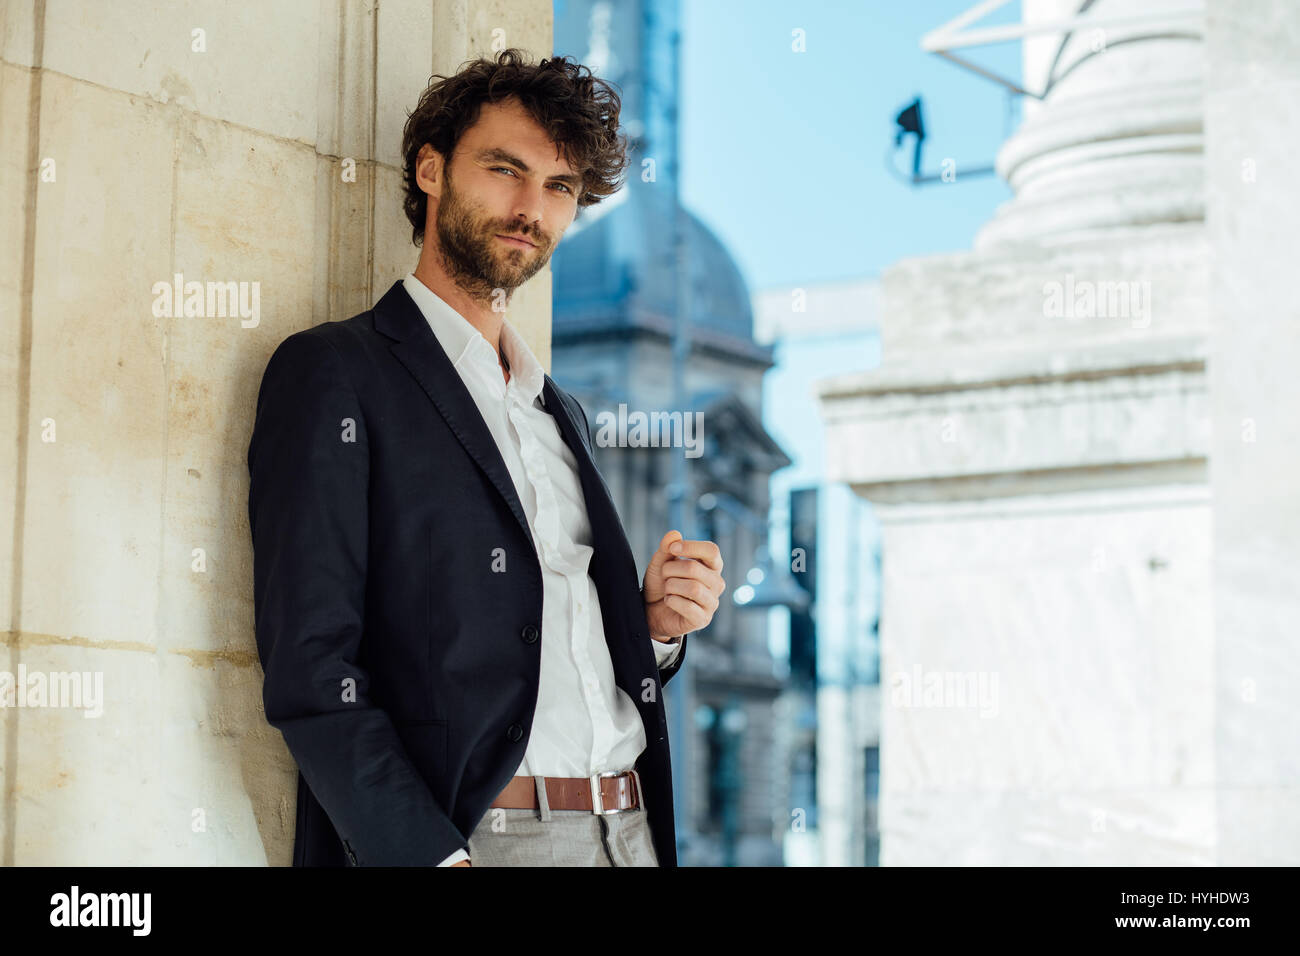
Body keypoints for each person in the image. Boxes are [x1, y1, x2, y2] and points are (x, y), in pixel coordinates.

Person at [246, 48, 724, 867]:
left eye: (560, 188)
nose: (531, 207)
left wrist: (654, 630)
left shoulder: (559, 410)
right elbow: (311, 664)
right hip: (482, 840)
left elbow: (542, 638)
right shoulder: (337, 373)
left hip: (630, 830)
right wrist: (428, 856)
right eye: (506, 169)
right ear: (431, 170)